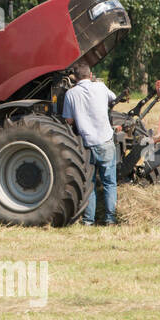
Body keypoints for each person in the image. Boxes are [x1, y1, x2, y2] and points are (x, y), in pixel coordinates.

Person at [62, 62, 119, 225]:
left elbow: (68, 119)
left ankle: (88, 220)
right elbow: (113, 99)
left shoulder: (71, 94)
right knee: (109, 182)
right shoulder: (100, 87)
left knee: (89, 184)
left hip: (86, 145)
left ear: (74, 78)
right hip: (105, 141)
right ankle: (110, 219)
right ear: (91, 75)